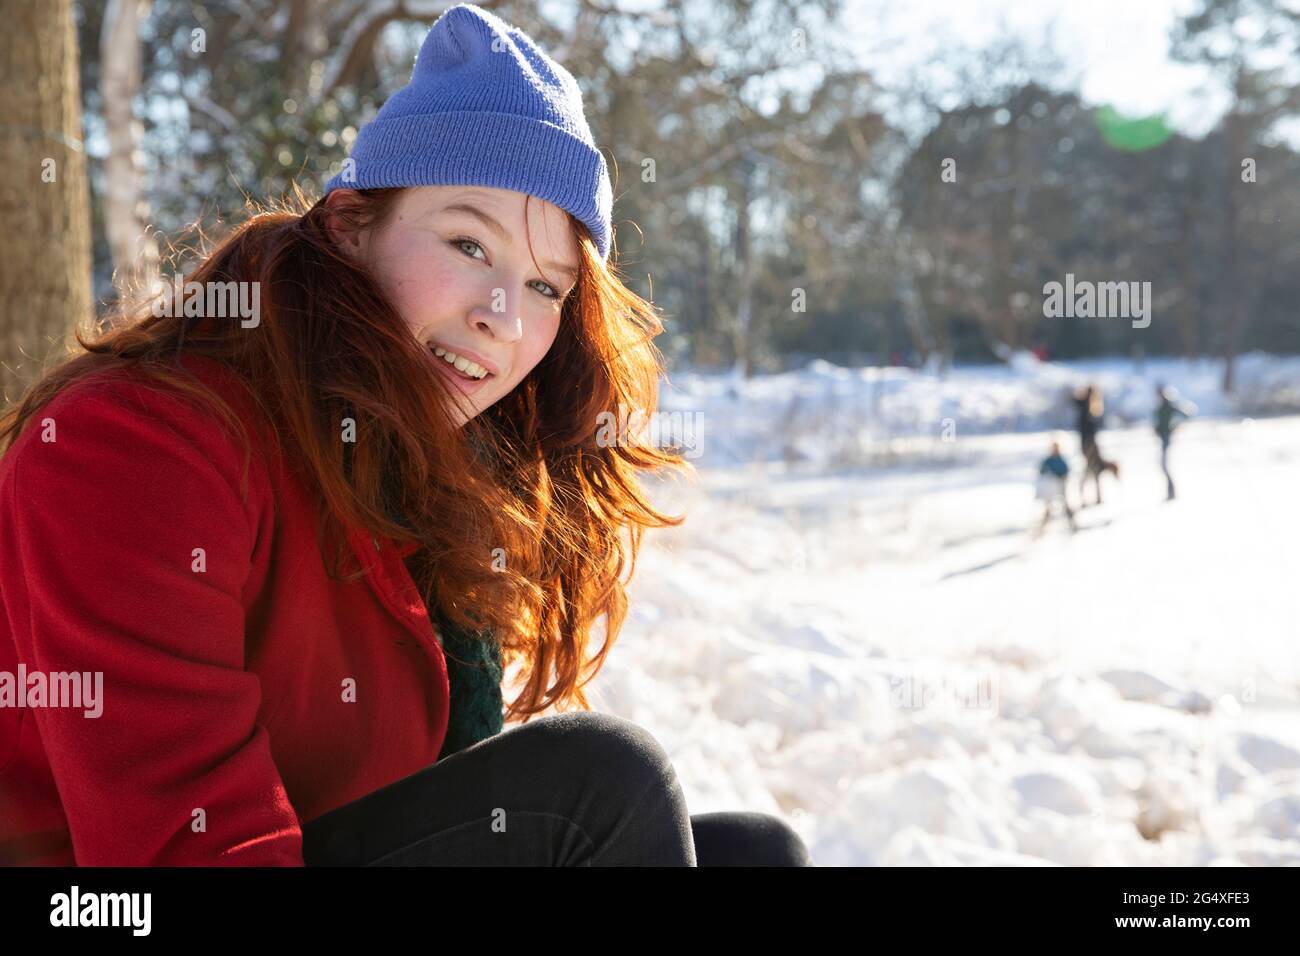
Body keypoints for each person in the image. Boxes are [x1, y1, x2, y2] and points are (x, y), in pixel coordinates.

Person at [0, 4, 810, 867]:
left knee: (754, 853)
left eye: (546, 287)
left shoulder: (426, 476)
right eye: (469, 244)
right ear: (350, 224)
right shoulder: (140, 441)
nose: (503, 318)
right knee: (600, 791)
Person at [1071, 383, 1118, 506]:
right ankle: (1094, 496)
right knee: (1092, 471)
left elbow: (1074, 399)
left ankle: (1083, 496)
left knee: (1089, 471)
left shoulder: (1086, 406)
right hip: (1090, 443)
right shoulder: (1094, 407)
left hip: (1087, 443)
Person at [1154, 383, 1196, 501]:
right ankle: (1170, 492)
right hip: (1162, 438)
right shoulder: (1161, 405)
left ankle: (1172, 492)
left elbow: (1185, 415)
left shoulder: (1168, 404)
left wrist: (1174, 426)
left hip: (1167, 439)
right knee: (1163, 465)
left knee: (1164, 465)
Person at [1034, 438, 1078, 536]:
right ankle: (1044, 525)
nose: (1055, 450)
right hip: (1051, 486)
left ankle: (1072, 522)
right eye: (1053, 448)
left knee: (1065, 503)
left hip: (1061, 485)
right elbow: (1041, 469)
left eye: (1056, 448)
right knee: (1048, 505)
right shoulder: (1048, 460)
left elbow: (1066, 471)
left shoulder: (1061, 460)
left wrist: (1061, 476)